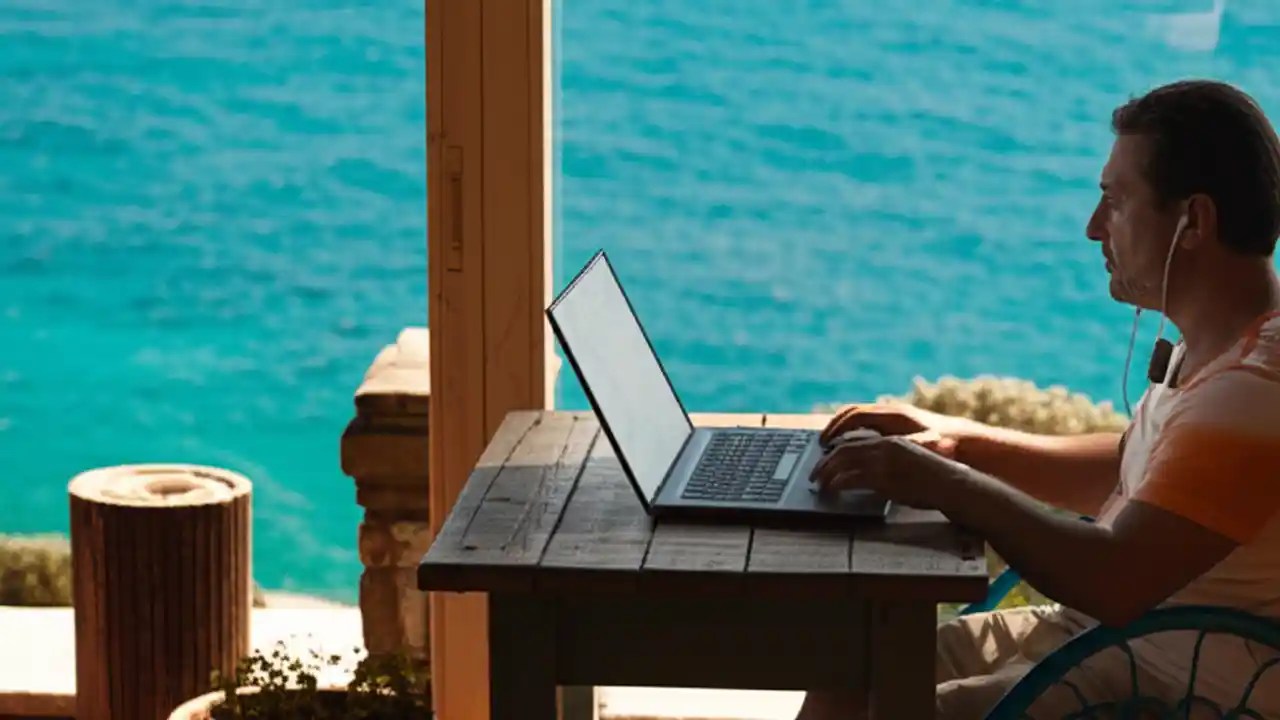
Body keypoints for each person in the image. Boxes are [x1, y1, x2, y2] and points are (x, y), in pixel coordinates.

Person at [796, 78, 1280, 719]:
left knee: (891, 705)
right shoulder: (1222, 346)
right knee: (855, 662)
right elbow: (1143, 477)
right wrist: (959, 442)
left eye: (1116, 202)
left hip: (1168, 686)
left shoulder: (1250, 393)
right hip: (1103, 642)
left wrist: (945, 482)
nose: (1092, 228)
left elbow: (1114, 578)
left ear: (1194, 222)